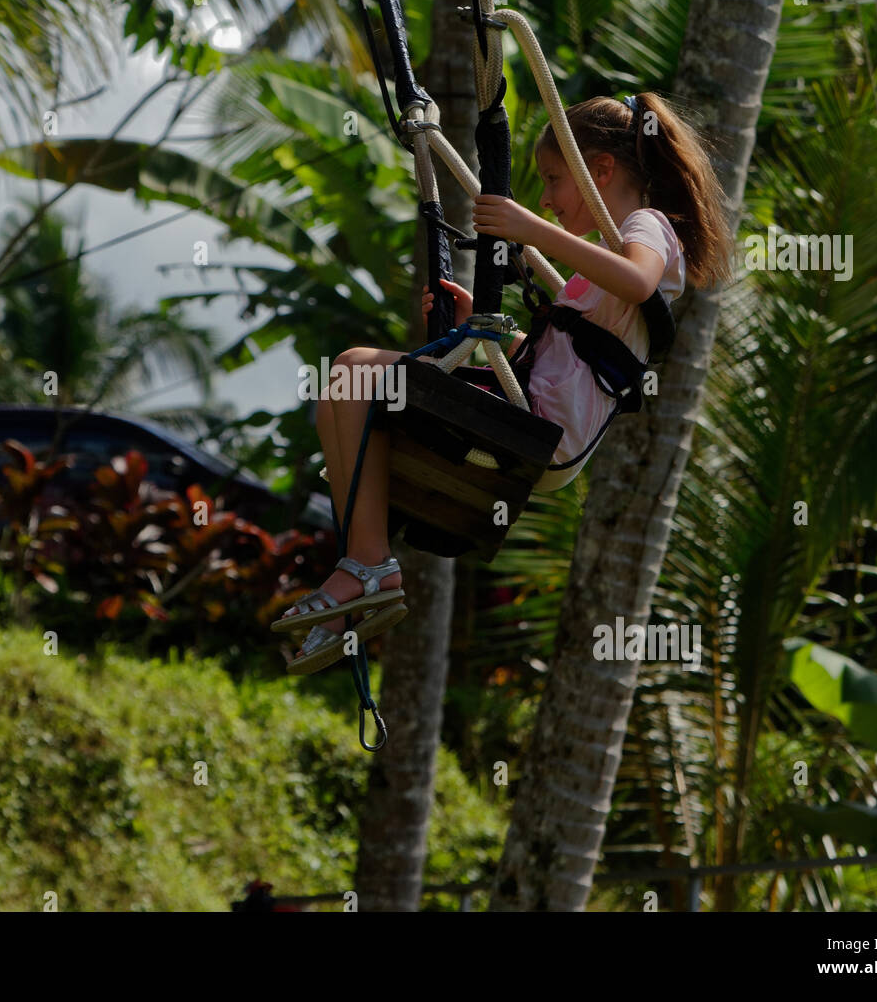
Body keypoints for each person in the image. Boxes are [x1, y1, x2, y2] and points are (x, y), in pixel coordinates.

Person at [275, 93, 734, 674]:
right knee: (343, 385)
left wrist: (530, 228)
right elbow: (561, 356)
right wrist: (478, 323)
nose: (545, 197)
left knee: (353, 371)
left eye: (552, 179)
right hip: (539, 411)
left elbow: (640, 282)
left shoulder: (645, 227)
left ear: (601, 170)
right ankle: (359, 570)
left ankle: (368, 565)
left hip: (544, 426)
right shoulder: (600, 256)